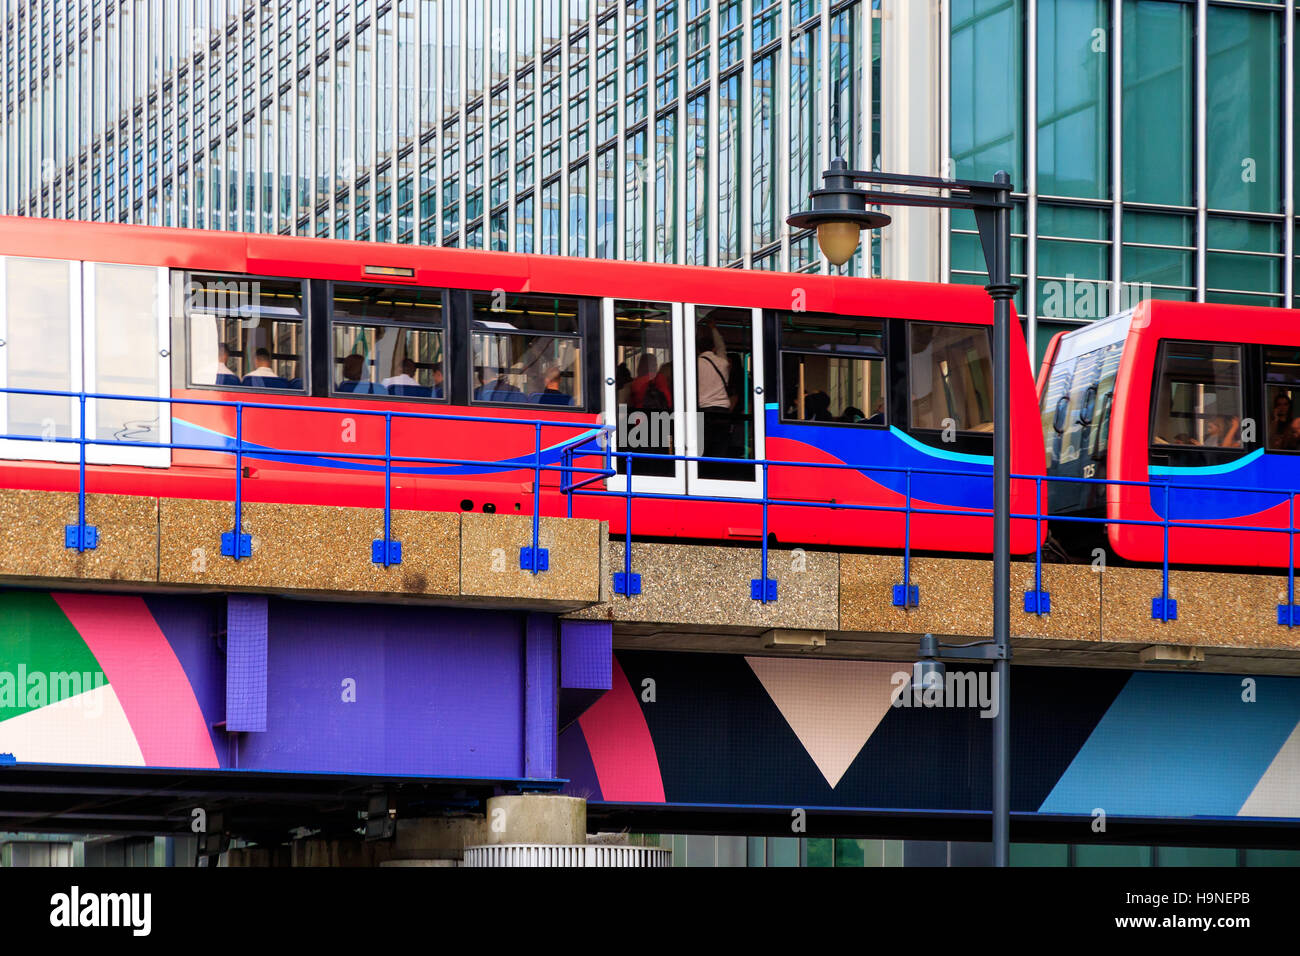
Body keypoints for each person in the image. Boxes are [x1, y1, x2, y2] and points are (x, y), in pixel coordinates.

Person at [697, 321, 733, 461]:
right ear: (713, 348)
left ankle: (704, 471)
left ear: (698, 350)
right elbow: (722, 347)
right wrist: (713, 329)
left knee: (704, 446)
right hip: (723, 410)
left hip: (704, 411)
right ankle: (720, 471)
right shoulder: (723, 362)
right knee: (721, 446)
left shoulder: (695, 365)